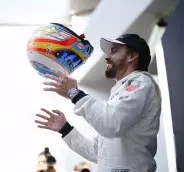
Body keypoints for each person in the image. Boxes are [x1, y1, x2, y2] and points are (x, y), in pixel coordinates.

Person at [35, 34, 161, 172]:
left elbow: (112, 123)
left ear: (132, 56)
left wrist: (75, 94)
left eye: (114, 51)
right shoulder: (120, 94)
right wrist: (65, 129)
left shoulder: (141, 83)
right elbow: (97, 152)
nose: (107, 57)